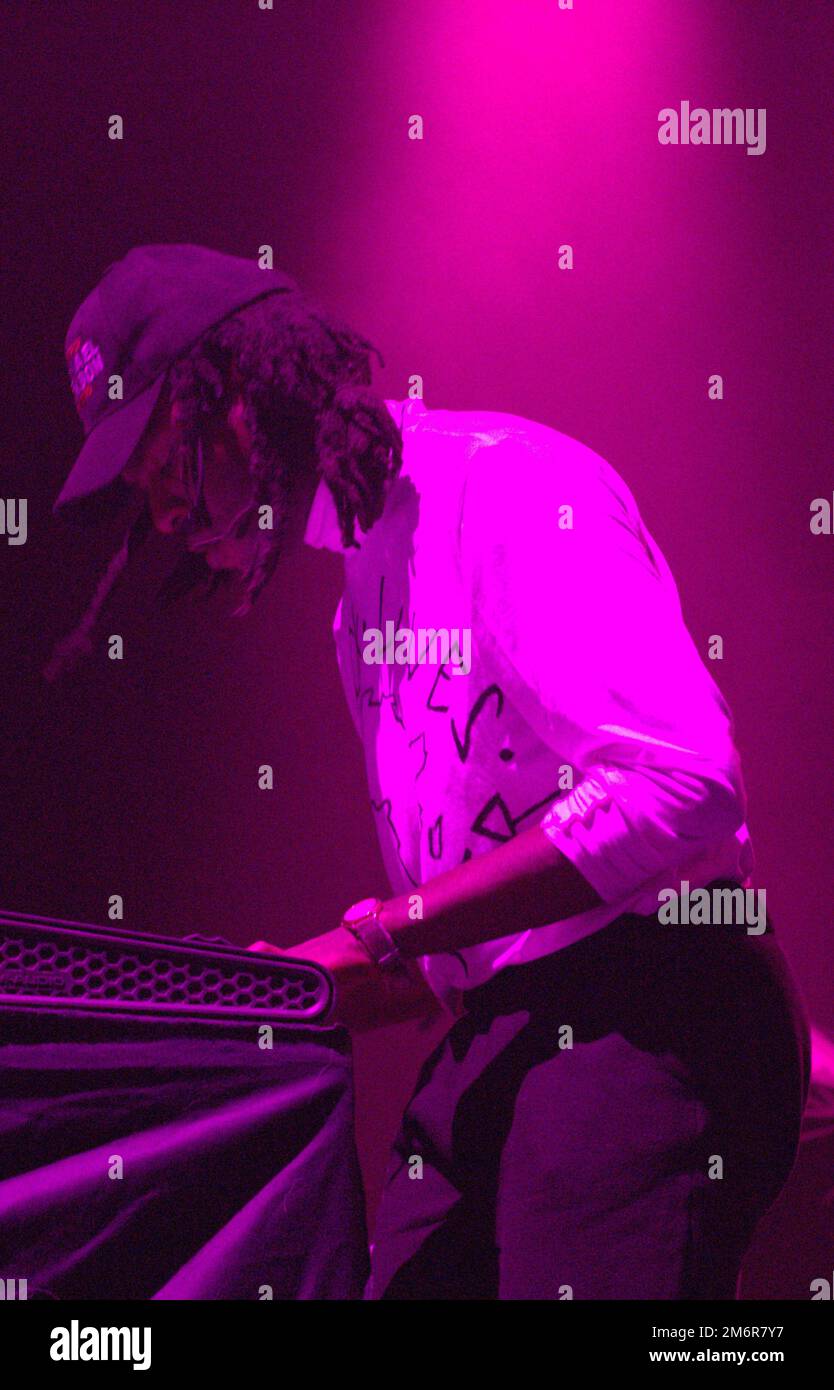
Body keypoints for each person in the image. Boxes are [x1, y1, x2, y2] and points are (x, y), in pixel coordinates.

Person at [52, 244, 811, 1300]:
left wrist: (395, 926)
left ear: (233, 396)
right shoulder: (358, 597)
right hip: (511, 1025)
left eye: (163, 468)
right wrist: (276, 990)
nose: (168, 521)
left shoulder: (506, 489)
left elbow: (681, 782)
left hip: (648, 1002)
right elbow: (458, 933)